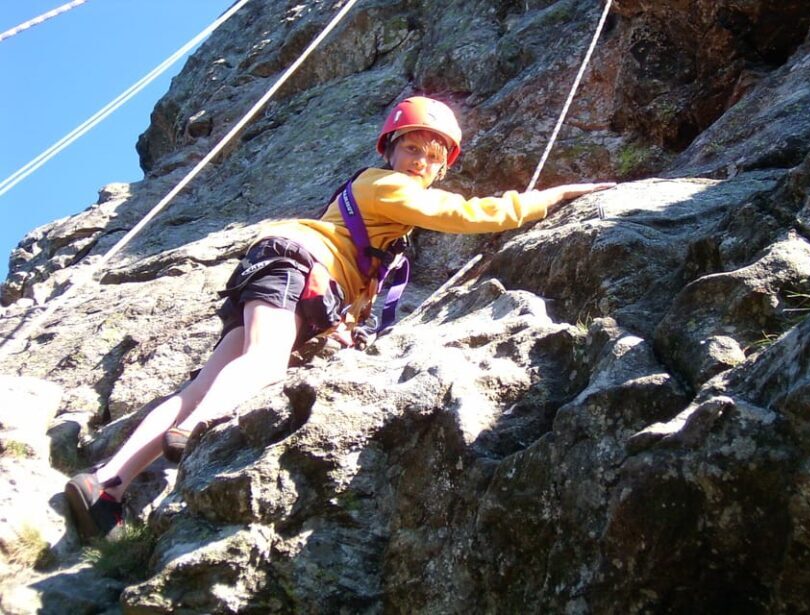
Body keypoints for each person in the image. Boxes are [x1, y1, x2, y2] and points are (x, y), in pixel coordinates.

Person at [64, 96, 614, 541]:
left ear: (443, 164)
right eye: (412, 147)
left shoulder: (383, 221)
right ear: (391, 151)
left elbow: (357, 276)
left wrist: (344, 325)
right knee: (263, 361)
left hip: (291, 273)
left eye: (431, 154)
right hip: (295, 265)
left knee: (205, 381)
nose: (420, 159)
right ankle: (200, 425)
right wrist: (551, 197)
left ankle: (107, 484)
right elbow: (466, 214)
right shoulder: (385, 186)